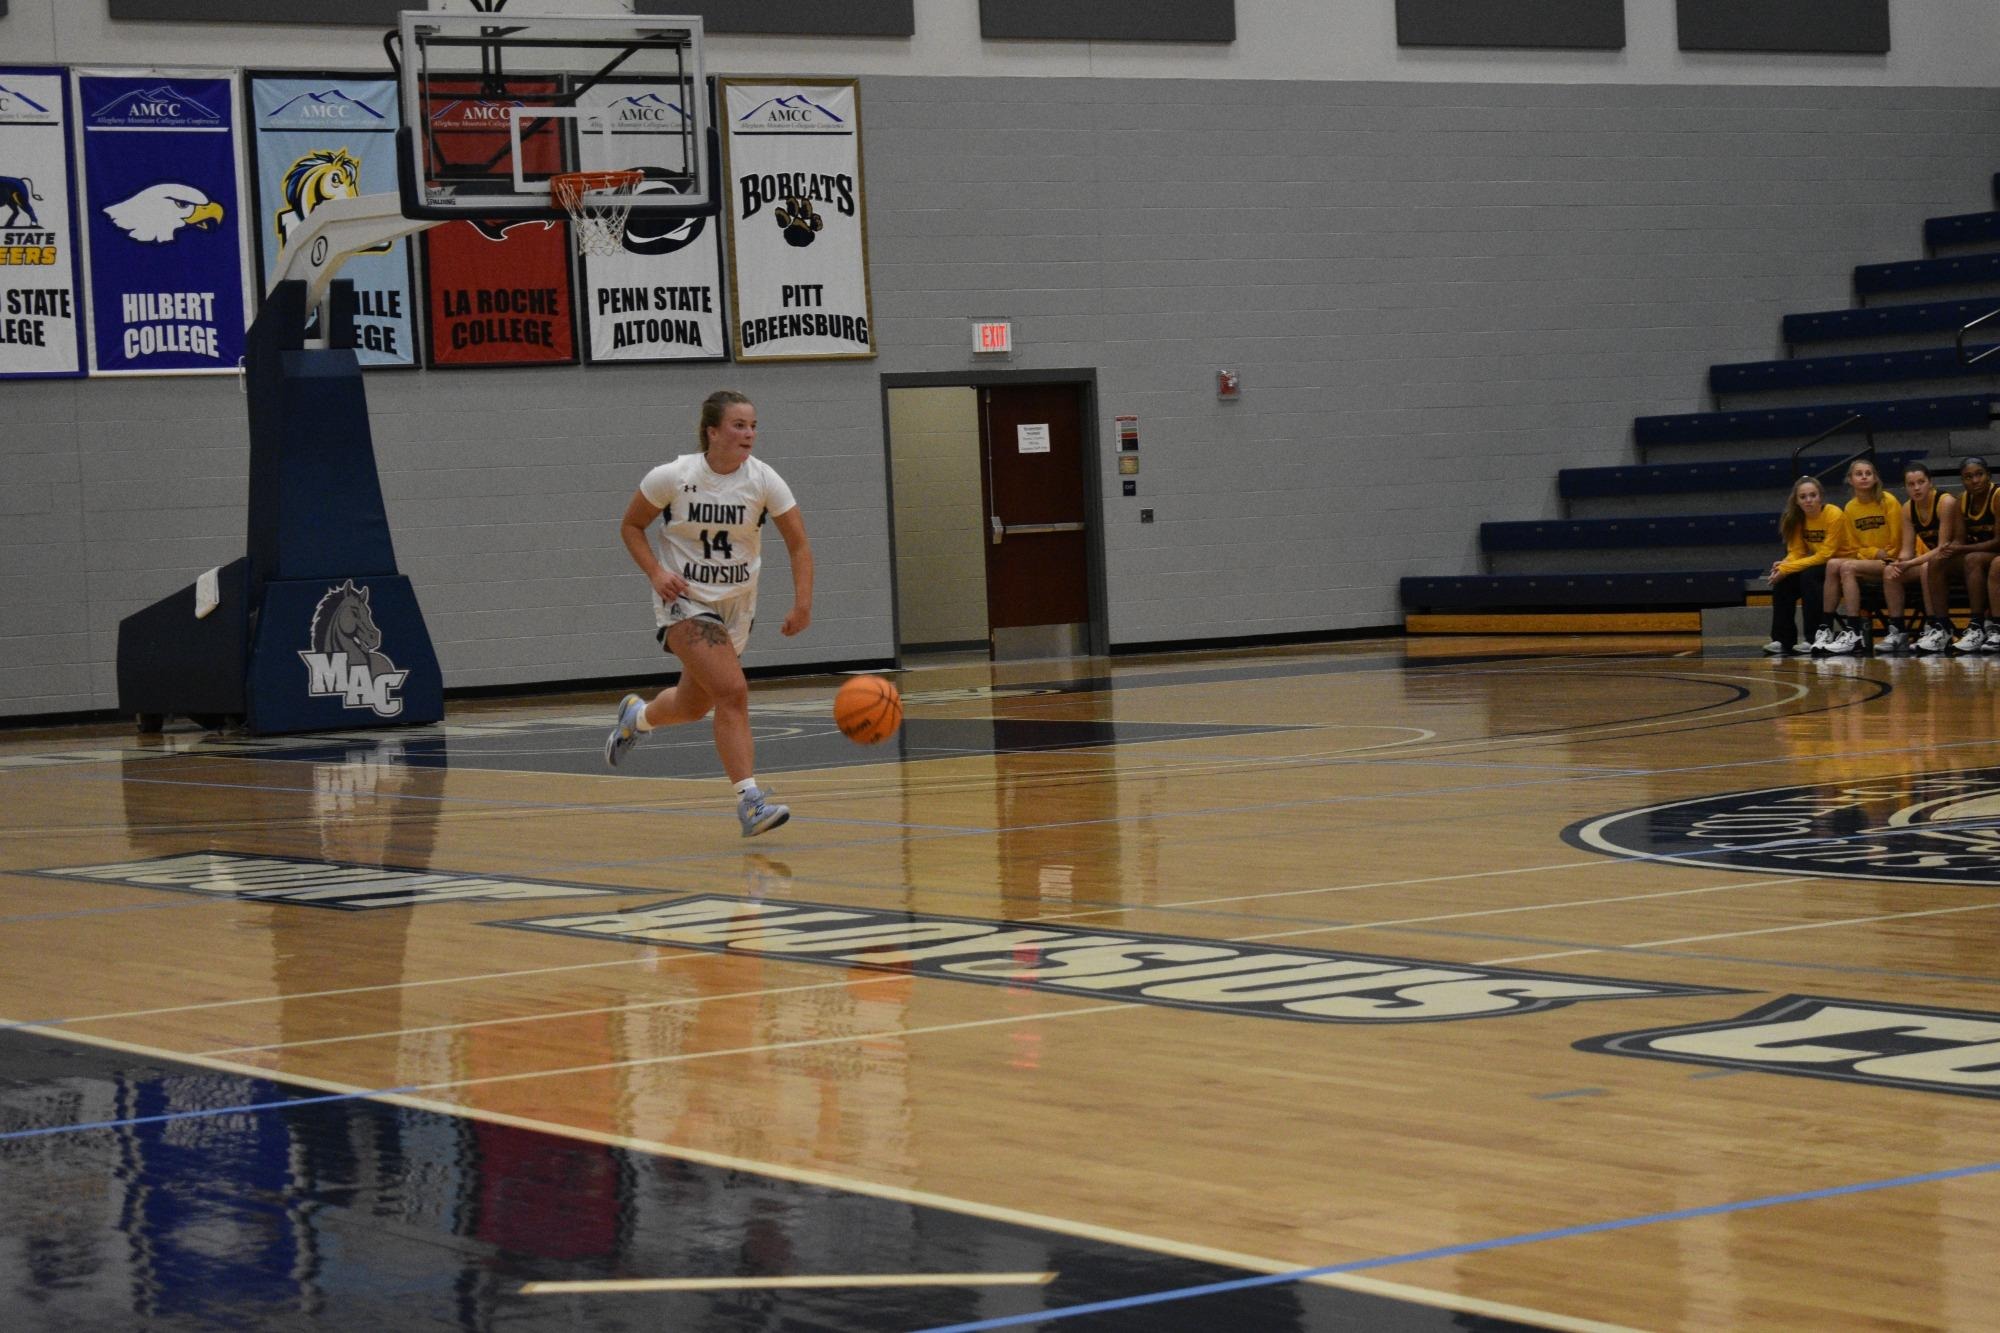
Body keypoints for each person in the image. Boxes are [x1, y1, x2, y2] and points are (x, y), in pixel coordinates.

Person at [603, 390, 815, 836]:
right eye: (739, 425)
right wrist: (656, 573)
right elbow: (631, 526)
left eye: (753, 425)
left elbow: (798, 542)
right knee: (733, 691)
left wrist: (802, 602)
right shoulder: (673, 476)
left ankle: (637, 718)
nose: (750, 434)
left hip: (737, 603)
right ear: (712, 431)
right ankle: (750, 801)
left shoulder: (763, 480)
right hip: (684, 599)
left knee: (692, 705)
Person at [1818, 457, 1904, 654]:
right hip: (1868, 561)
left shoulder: (1888, 501)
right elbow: (1853, 547)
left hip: (1891, 561)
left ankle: (1853, 631)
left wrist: (1881, 554)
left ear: (1875, 478)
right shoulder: (1849, 507)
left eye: (1868, 473)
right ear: (1850, 480)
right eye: (1859, 474)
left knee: (1847, 567)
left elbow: (1897, 542)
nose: (1864, 477)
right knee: (1832, 564)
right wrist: (1874, 552)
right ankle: (1825, 629)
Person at [1882, 462, 1961, 653]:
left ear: (1930, 482)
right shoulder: (1908, 508)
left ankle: (1936, 627)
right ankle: (1898, 631)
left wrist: (1910, 562)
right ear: (1905, 487)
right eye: (1911, 484)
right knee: (1889, 571)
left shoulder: (1945, 502)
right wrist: (1900, 563)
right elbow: (1907, 550)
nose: (1916, 488)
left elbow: (1943, 548)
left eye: (1921, 482)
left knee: (1928, 566)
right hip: (1935, 561)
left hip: (1957, 558)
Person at [1766, 476, 1846, 655]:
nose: (1808, 500)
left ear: (1821, 497)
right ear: (1797, 500)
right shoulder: (1797, 519)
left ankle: (1814, 637)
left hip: (1841, 563)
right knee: (1783, 582)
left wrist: (1788, 568)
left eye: (1813, 495)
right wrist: (1784, 565)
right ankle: (1782, 640)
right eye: (1803, 497)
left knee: (1809, 576)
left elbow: (1826, 555)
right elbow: (1797, 552)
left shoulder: (1833, 514)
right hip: (1820, 563)